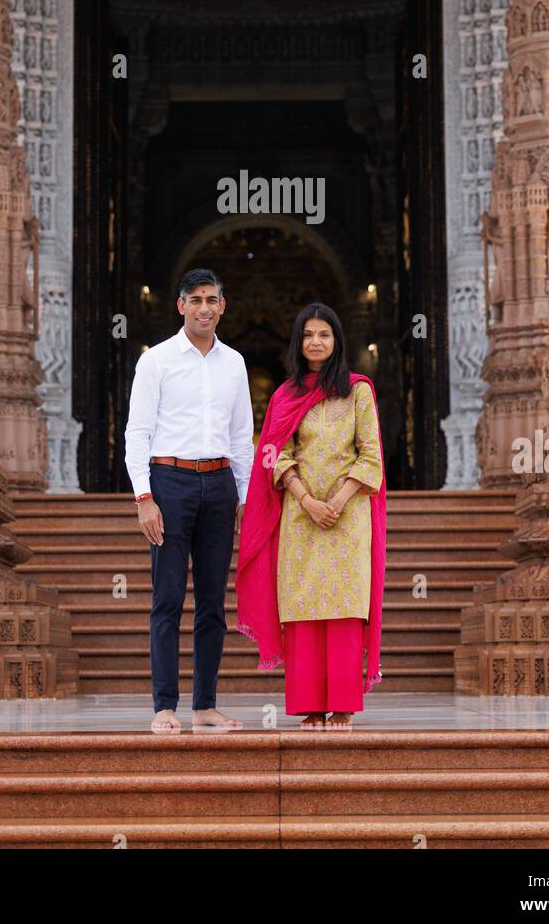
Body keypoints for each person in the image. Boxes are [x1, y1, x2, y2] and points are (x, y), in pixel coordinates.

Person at [236, 303, 386, 731]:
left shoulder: (358, 390)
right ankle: (310, 706)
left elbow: (371, 456)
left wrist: (337, 502)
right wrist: (306, 500)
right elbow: (276, 455)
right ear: (298, 343)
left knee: (341, 606)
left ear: (337, 341)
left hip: (348, 515)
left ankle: (341, 705)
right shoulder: (287, 396)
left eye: (324, 334)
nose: (315, 342)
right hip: (301, 517)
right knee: (302, 607)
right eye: (308, 335)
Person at [124, 268, 255, 734]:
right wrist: (144, 497)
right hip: (170, 481)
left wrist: (244, 496)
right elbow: (137, 431)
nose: (204, 307)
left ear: (223, 305)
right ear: (180, 305)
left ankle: (204, 706)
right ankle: (164, 706)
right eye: (195, 299)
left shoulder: (234, 363)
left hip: (219, 484)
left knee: (214, 603)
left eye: (212, 299)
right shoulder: (156, 361)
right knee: (167, 598)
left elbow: (242, 437)